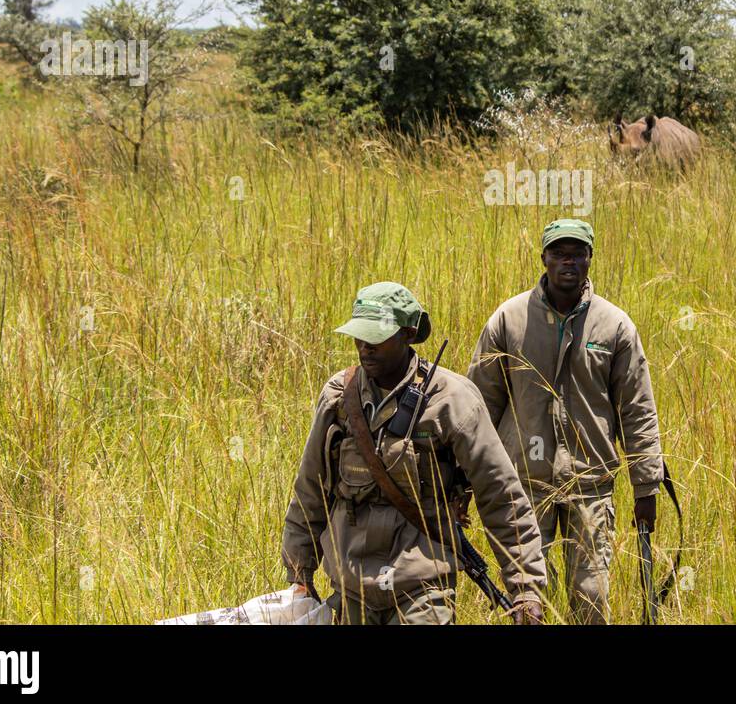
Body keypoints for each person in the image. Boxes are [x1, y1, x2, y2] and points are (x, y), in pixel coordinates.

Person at [282, 281, 545, 624]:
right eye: (359, 337)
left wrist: (524, 586)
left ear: (408, 334)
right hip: (350, 588)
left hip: (421, 588)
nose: (364, 347)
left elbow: (501, 494)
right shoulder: (339, 398)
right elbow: (310, 490)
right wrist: (300, 574)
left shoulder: (452, 400)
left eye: (375, 338)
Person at [468, 220, 663, 624]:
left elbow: (637, 410)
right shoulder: (509, 319)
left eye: (577, 253)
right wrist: (460, 481)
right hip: (525, 484)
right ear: (543, 259)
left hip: (591, 486)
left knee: (590, 600)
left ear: (590, 258)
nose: (568, 262)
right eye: (559, 253)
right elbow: (478, 407)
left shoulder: (615, 326)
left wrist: (646, 485)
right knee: (528, 602)